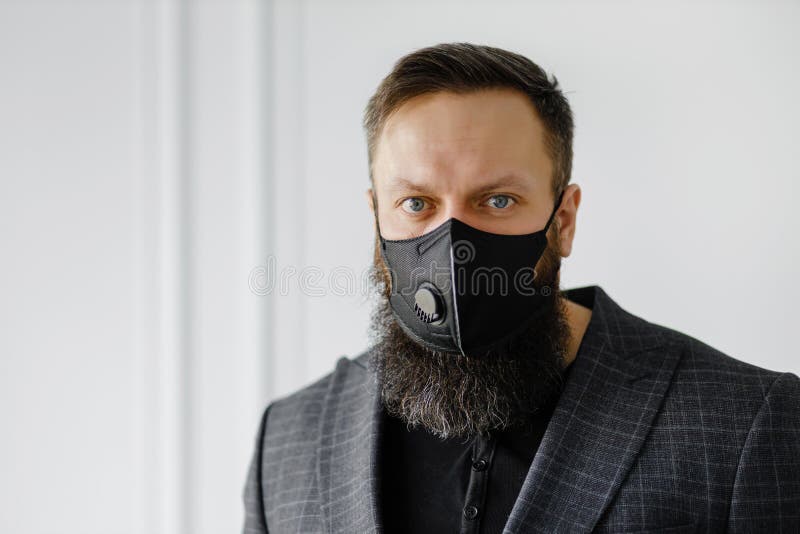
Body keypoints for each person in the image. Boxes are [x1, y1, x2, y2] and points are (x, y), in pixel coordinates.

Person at [243, 42, 800, 533]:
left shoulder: (745, 423)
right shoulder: (291, 438)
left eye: (498, 200)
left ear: (564, 220)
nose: (452, 245)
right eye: (417, 204)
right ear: (377, 219)